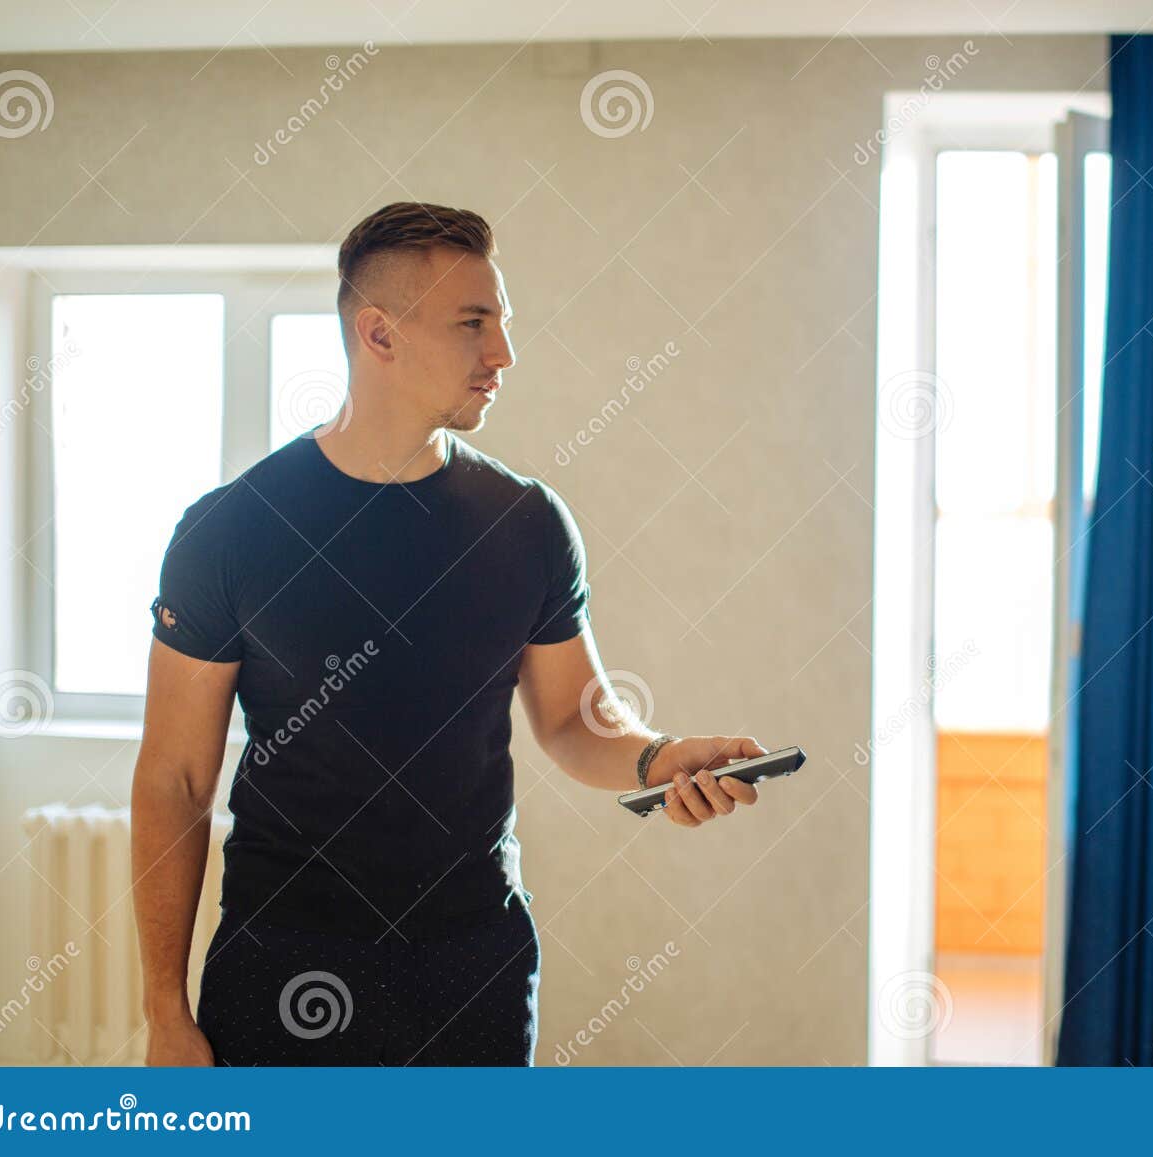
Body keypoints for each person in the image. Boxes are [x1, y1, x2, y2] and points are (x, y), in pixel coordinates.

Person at [130, 201, 765, 1066]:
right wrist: (165, 1012)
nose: (503, 353)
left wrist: (659, 760)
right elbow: (175, 777)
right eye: (474, 324)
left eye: (501, 322)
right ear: (379, 334)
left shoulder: (528, 522)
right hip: (283, 968)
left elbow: (575, 721)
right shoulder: (230, 530)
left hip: (474, 968)